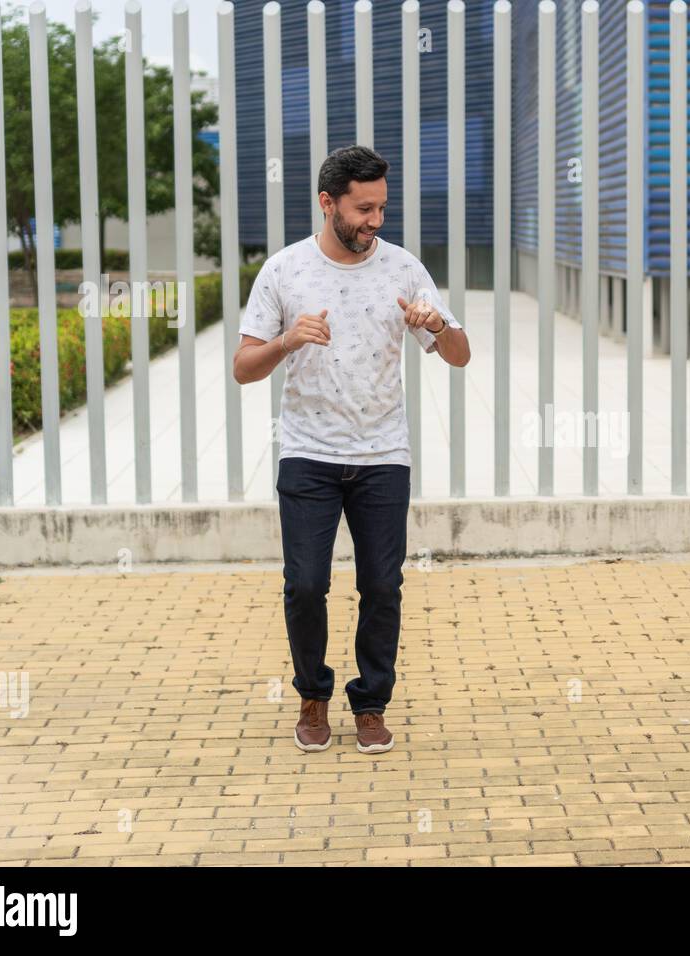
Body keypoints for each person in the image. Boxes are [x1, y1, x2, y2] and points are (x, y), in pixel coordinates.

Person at [233, 145, 470, 755]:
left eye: (382, 208)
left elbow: (461, 354)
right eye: (364, 208)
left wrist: (438, 326)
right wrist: (287, 340)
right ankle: (313, 696)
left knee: (382, 586)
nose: (376, 221)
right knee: (306, 584)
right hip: (309, 452)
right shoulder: (284, 271)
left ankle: (371, 703)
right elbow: (243, 367)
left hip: (383, 454)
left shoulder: (404, 270)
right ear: (327, 202)